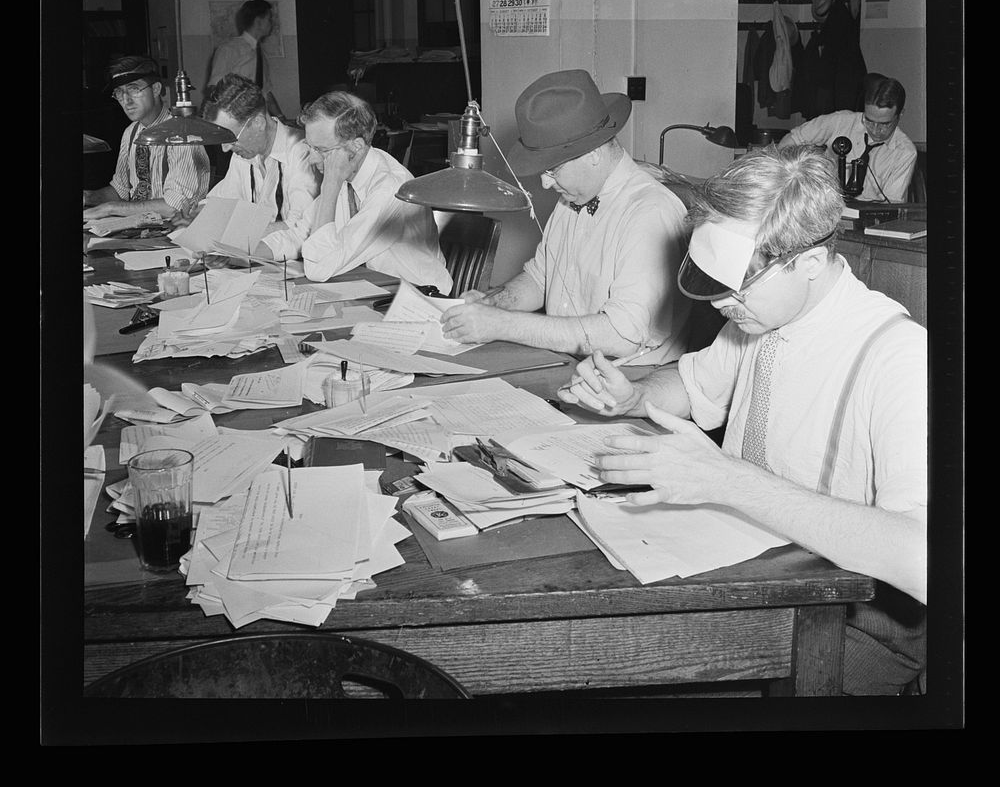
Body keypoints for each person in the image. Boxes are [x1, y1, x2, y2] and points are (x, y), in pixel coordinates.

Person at [558, 144, 926, 696]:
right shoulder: (759, 315)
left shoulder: (898, 356)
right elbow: (691, 384)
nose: (719, 305)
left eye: (735, 290)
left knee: (619, 674)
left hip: (853, 621)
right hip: (750, 572)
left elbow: (922, 559)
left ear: (809, 262)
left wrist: (727, 481)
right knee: (586, 644)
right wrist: (631, 398)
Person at [441, 68, 691, 364]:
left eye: (552, 170)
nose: (546, 183)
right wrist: (493, 303)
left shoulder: (650, 213)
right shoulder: (570, 201)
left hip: (631, 382)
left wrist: (501, 325)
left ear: (594, 153)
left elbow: (620, 337)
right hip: (571, 367)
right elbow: (540, 279)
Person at [298, 91, 452, 291]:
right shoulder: (352, 171)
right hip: (379, 288)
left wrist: (329, 186)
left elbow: (318, 268)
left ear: (357, 146)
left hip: (420, 299)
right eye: (309, 147)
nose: (312, 159)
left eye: (321, 150)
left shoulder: (390, 188)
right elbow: (302, 231)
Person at [195, 74, 319, 260]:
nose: (225, 148)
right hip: (254, 261)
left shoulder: (302, 152)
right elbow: (221, 202)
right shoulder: (245, 153)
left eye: (230, 138)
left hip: (295, 266)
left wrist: (235, 237)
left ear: (258, 122)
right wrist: (198, 213)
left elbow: (301, 228)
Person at [82, 56, 210, 221]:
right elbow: (120, 190)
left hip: (175, 231)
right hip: (139, 227)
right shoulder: (130, 132)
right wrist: (89, 197)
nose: (126, 100)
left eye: (134, 89)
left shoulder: (181, 134)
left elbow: (174, 207)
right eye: (119, 92)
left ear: (156, 89)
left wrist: (110, 208)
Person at [782, 75, 916, 202]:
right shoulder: (841, 121)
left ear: (900, 114)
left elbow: (891, 206)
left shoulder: (905, 152)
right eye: (869, 120)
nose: (875, 129)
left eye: (884, 124)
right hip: (823, 207)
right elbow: (791, 140)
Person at [205, 0, 284, 119]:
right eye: (269, 19)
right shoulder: (229, 49)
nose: (272, 23)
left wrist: (281, 117)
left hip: (255, 118)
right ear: (258, 21)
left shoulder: (259, 54)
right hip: (234, 117)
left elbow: (265, 92)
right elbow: (214, 88)